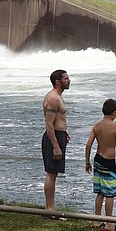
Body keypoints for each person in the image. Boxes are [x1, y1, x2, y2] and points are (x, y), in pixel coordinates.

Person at [85, 98, 116, 231]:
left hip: (97, 160)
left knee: (99, 192)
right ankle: (109, 222)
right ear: (114, 113)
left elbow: (88, 145)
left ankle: (97, 220)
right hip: (109, 162)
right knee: (110, 194)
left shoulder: (96, 125)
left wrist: (87, 162)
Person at [42, 69, 70, 214]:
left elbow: (57, 121)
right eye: (66, 78)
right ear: (58, 82)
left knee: (53, 173)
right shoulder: (53, 98)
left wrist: (64, 134)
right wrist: (56, 146)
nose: (69, 80)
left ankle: (50, 208)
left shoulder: (57, 97)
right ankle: (50, 209)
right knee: (51, 173)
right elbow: (49, 123)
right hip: (53, 138)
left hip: (59, 136)